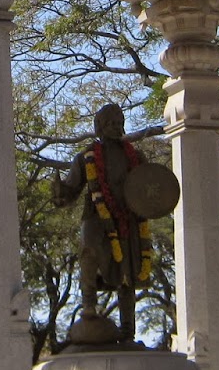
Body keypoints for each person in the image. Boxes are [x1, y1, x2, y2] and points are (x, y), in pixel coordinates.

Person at [53, 104, 153, 343]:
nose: (116, 127)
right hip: (97, 216)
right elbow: (71, 190)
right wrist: (59, 191)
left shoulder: (136, 157)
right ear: (99, 128)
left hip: (128, 219)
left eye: (119, 122)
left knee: (127, 271)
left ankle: (128, 330)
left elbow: (149, 188)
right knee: (89, 252)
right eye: (110, 123)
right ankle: (89, 305)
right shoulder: (87, 157)